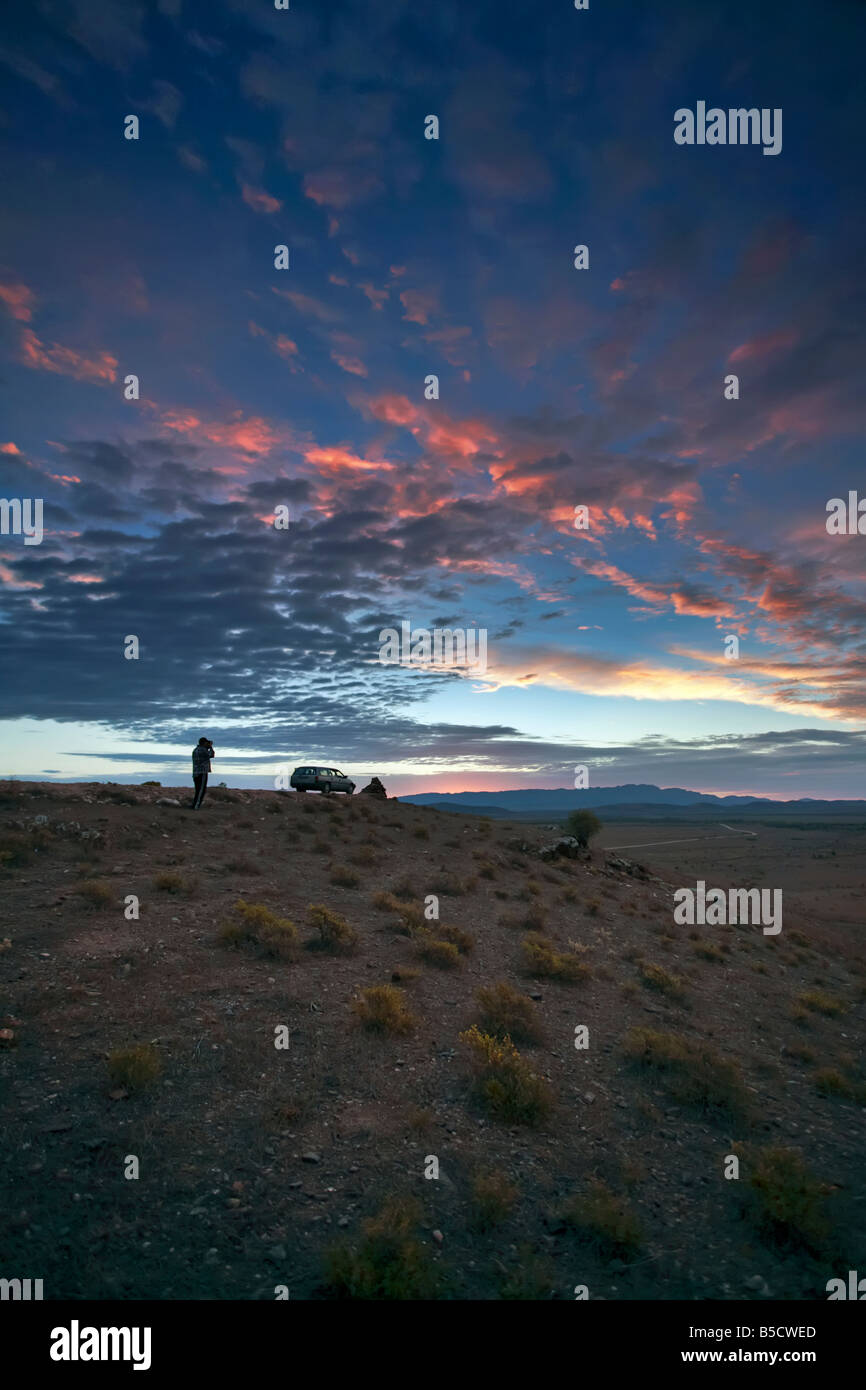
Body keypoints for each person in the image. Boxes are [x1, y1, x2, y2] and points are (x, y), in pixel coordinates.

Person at [191, 737, 214, 809]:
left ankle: (194, 805)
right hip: (202, 772)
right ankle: (196, 806)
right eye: (207, 743)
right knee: (201, 790)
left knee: (198, 790)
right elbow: (211, 755)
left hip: (195, 772)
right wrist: (210, 747)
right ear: (204, 743)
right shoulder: (203, 750)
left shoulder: (195, 750)